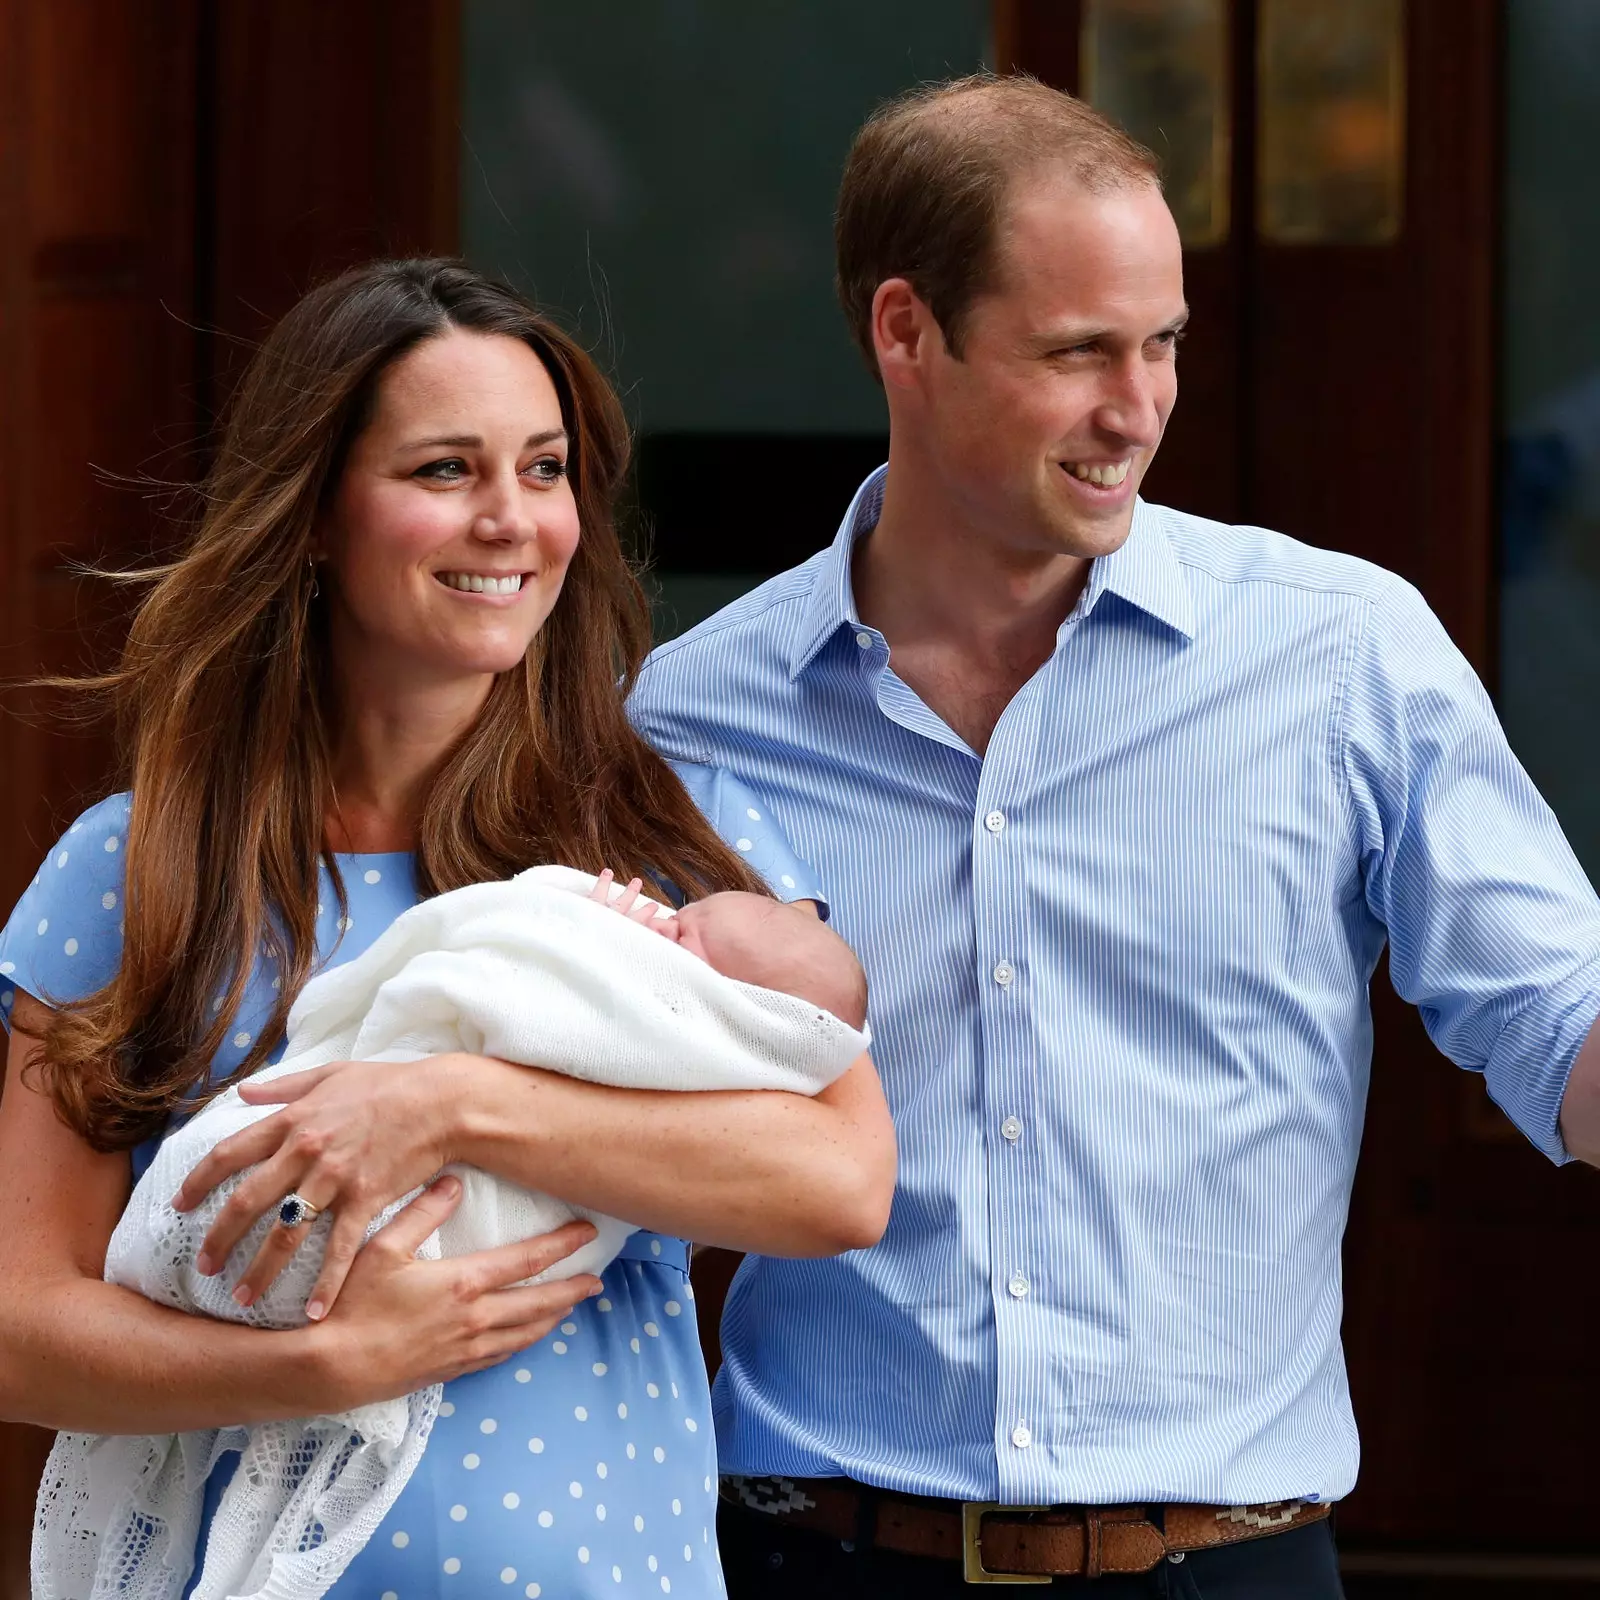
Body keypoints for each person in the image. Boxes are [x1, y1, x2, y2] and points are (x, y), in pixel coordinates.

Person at [628, 75, 1600, 1598]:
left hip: (1226, 1564)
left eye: (1161, 346)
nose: (1137, 407)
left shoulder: (1345, 657)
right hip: (818, 1555)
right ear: (905, 333)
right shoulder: (692, 721)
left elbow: (1561, 1017)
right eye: (1079, 351)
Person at [0, 258, 894, 1600]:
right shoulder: (140, 865)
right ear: (310, 514)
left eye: (544, 471)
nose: (511, 520)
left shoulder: (666, 845)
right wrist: (320, 1367)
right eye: (444, 472)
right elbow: (18, 1326)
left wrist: (453, 1107)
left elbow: (838, 1184)